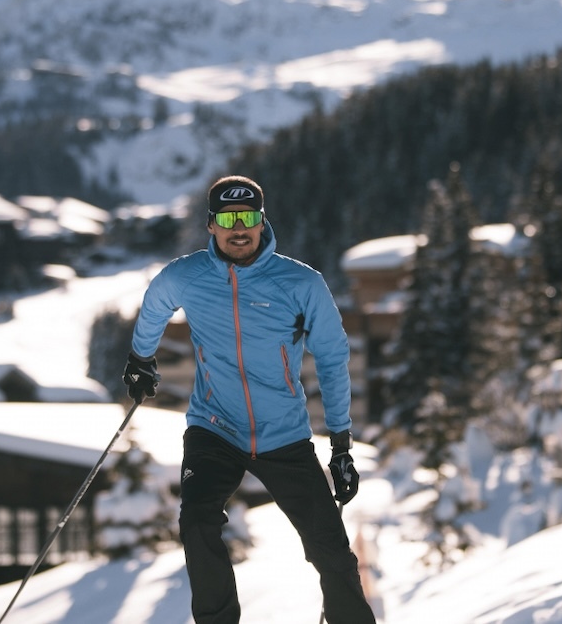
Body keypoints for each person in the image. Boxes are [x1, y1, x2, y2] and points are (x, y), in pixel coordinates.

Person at [122, 175, 375, 624]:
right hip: (214, 427)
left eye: (249, 217)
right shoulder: (189, 276)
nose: (239, 228)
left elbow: (333, 357)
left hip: (284, 434)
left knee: (331, 552)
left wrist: (340, 445)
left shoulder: (301, 283)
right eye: (228, 218)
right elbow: (156, 302)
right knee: (197, 522)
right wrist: (142, 358)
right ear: (211, 225)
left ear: (262, 220)